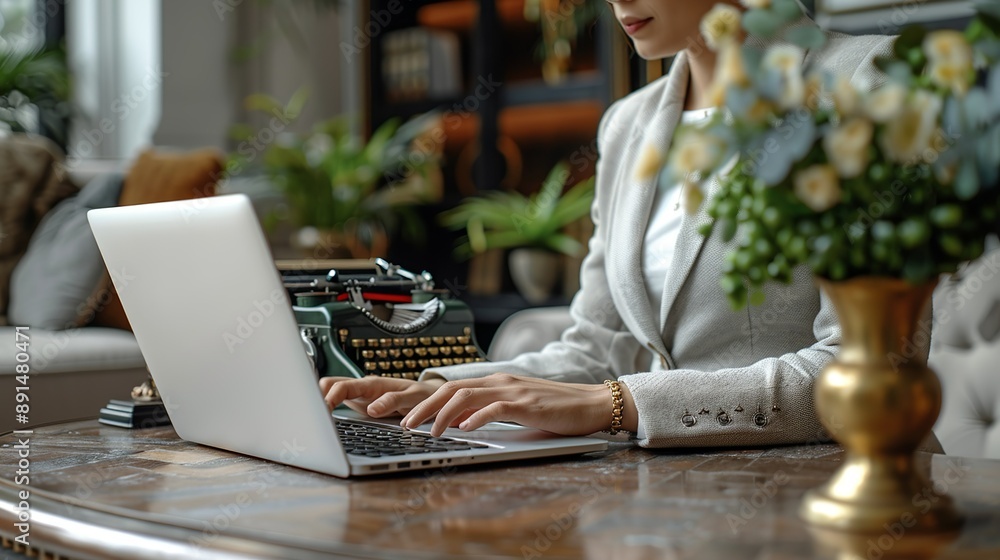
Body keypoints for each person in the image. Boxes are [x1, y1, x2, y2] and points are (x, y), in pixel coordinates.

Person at [320, 0, 896, 447]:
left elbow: (866, 371)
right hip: (660, 503)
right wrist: (442, 390)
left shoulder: (867, 82)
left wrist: (619, 404)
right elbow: (598, 348)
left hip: (832, 495)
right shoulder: (628, 124)